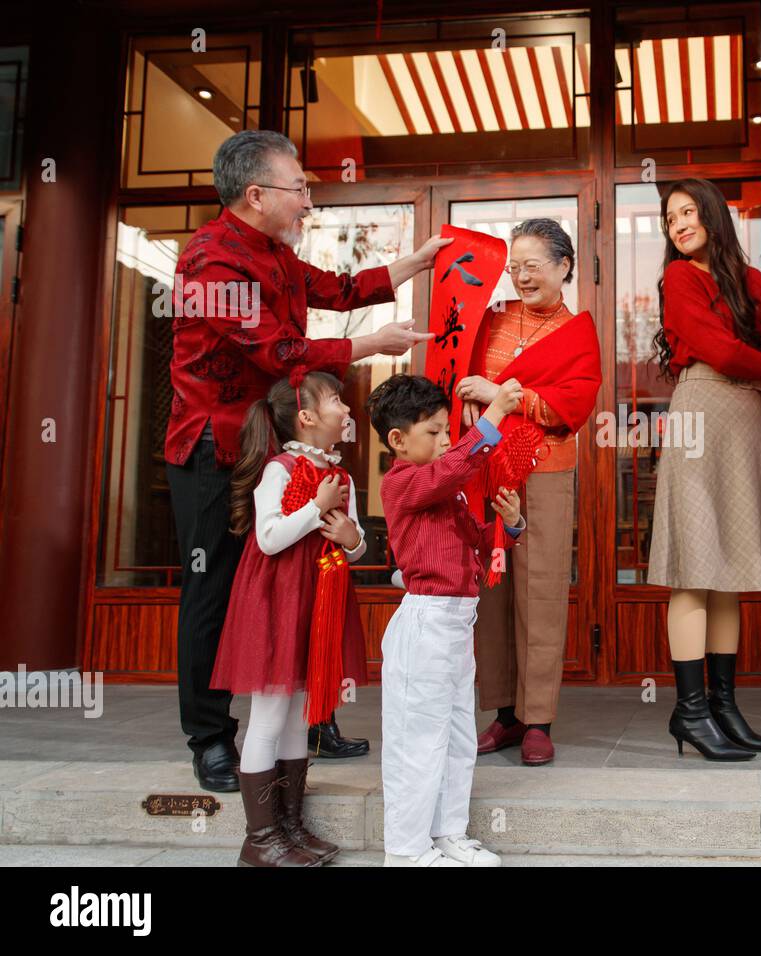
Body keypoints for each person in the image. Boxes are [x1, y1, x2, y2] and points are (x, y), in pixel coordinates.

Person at [167, 129, 448, 792]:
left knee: (302, 576)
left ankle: (308, 717)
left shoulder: (279, 253)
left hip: (286, 446)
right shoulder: (210, 260)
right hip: (219, 447)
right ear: (256, 192)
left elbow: (342, 288)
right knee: (215, 589)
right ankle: (210, 737)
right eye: (300, 188)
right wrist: (369, 346)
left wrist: (418, 262)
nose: (309, 201)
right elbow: (277, 352)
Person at [647, 178, 761, 760]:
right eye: (670, 218)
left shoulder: (744, 278)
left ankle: (724, 707)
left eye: (687, 212)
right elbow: (721, 350)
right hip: (703, 407)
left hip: (744, 415)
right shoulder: (679, 278)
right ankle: (691, 711)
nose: (678, 224)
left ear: (712, 214)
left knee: (727, 570)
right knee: (695, 567)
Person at [211, 369, 369, 867]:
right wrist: (316, 508)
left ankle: (290, 827)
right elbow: (269, 538)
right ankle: (260, 840)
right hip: (276, 603)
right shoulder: (278, 469)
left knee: (302, 716)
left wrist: (351, 538)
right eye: (336, 401)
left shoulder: (341, 475)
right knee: (268, 718)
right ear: (306, 416)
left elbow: (358, 544)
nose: (345, 410)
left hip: (317, 606)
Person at [369, 373, 526, 867]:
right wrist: (494, 415)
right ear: (398, 440)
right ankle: (406, 849)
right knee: (418, 742)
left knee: (458, 738)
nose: (443, 442)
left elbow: (480, 544)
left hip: (457, 624)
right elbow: (453, 469)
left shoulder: (444, 486)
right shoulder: (403, 482)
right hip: (426, 624)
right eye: (434, 432)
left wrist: (512, 524)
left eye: (446, 432)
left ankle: (447, 834)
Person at [461, 219, 601, 767]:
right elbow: (463, 374)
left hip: (544, 466)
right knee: (492, 587)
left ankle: (538, 717)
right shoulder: (490, 317)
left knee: (539, 588)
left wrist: (503, 395)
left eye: (533, 265)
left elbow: (573, 407)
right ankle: (504, 714)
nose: (521, 276)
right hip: (486, 465)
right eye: (514, 266)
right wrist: (471, 397)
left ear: (564, 266)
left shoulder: (578, 330)